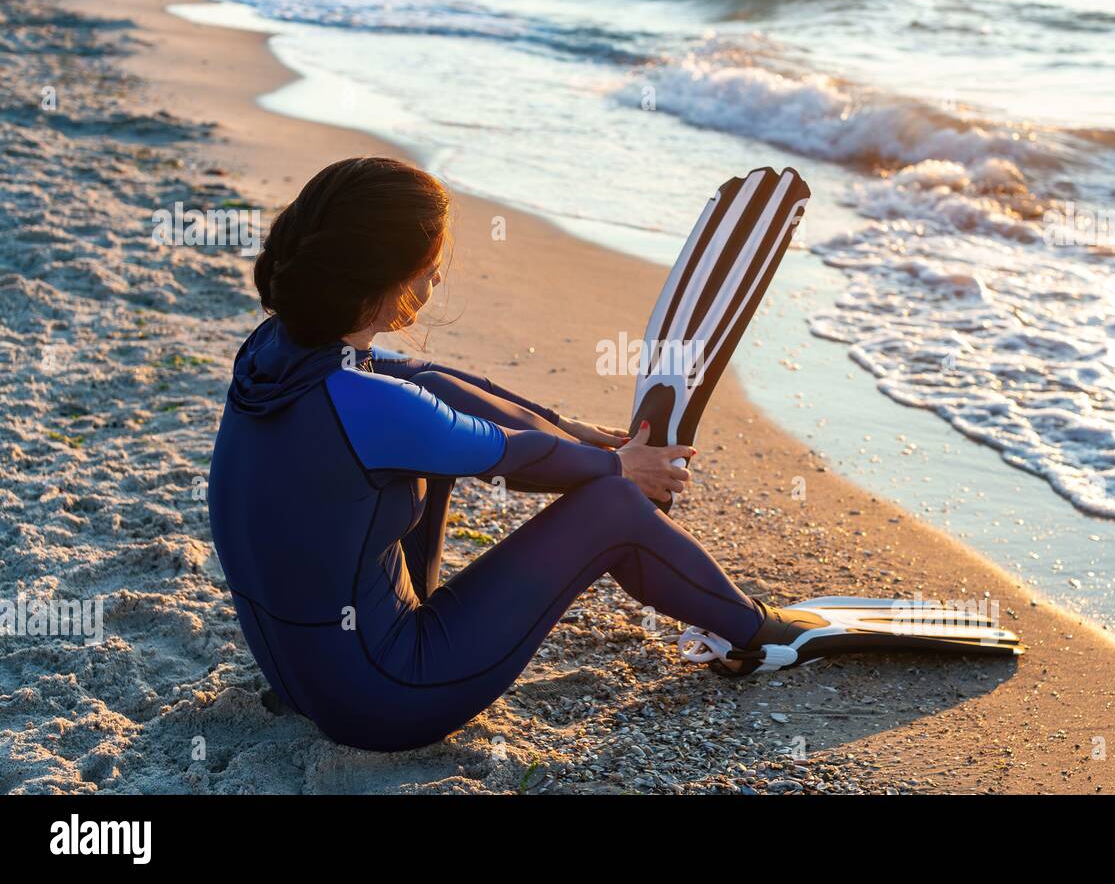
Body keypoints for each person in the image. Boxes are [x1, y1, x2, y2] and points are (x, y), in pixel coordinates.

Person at [207, 156, 765, 751]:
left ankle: (681, 560)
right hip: (386, 698)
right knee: (614, 507)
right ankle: (759, 631)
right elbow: (509, 457)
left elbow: (428, 381)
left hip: (301, 680)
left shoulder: (269, 354)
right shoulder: (371, 405)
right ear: (386, 278)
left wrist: (565, 427)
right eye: (428, 268)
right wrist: (620, 467)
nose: (437, 282)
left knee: (432, 394)